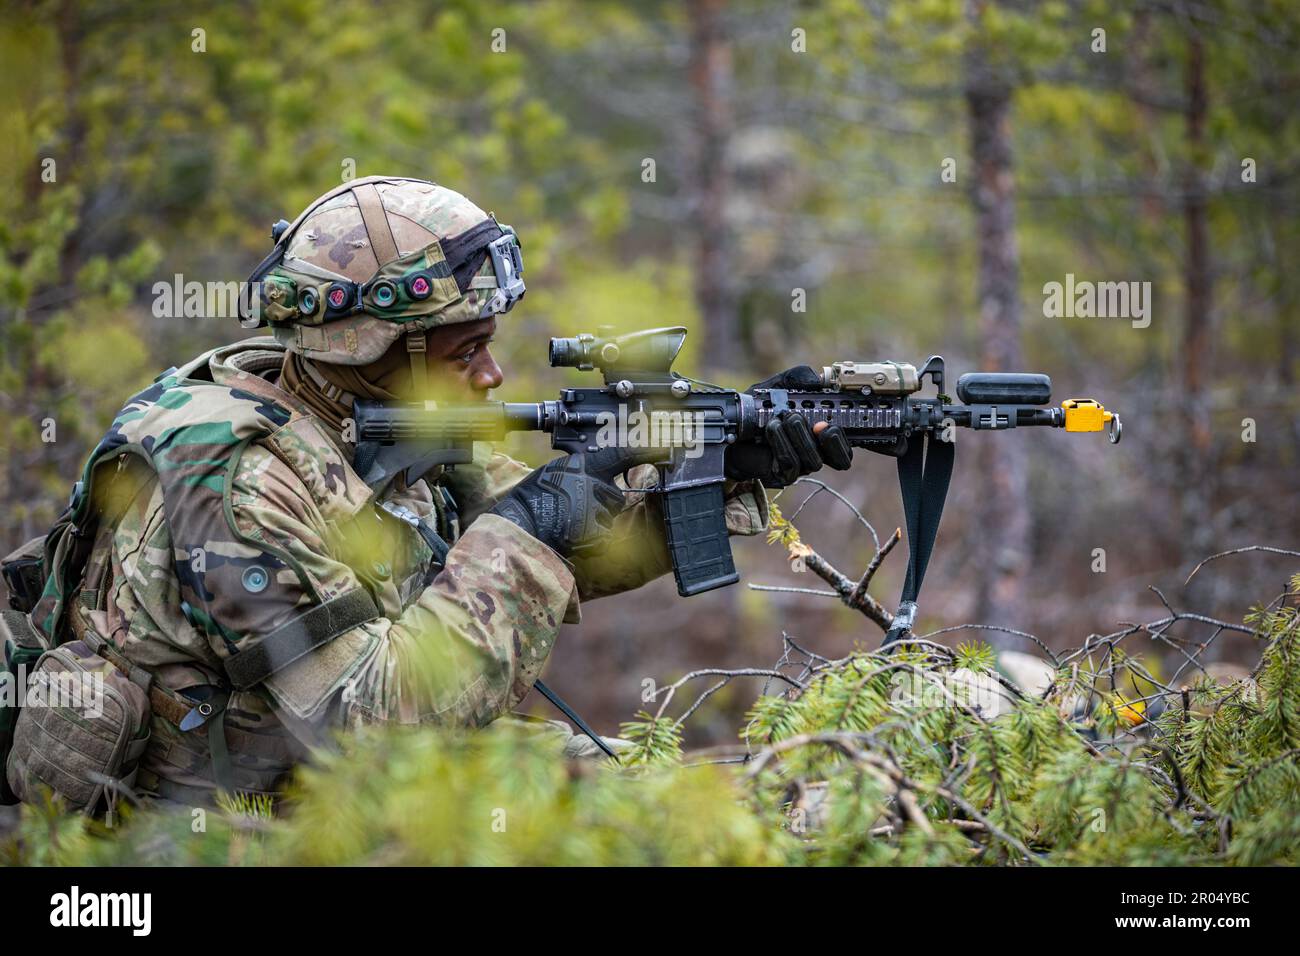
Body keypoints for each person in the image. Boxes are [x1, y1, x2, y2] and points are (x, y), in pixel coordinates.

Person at [4, 176, 852, 807]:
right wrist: (527, 530)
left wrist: (729, 468)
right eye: (463, 352)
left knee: (706, 797)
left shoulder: (377, 417)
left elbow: (556, 544)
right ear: (373, 347)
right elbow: (368, 725)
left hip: (342, 799)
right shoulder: (237, 484)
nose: (490, 376)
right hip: (233, 830)